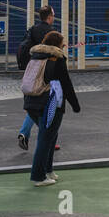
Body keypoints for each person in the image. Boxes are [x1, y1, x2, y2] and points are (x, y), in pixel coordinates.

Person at [26, 31, 79, 186]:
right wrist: (75, 105)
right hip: (50, 103)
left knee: (50, 136)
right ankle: (39, 176)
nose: (64, 44)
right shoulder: (57, 58)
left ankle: (48, 170)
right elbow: (66, 83)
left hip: (31, 101)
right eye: (62, 42)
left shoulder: (35, 56)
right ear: (57, 44)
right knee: (45, 139)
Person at [16, 6, 55, 150]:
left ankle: (24, 133)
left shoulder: (32, 29)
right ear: (50, 17)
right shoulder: (50, 32)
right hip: (44, 73)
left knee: (33, 105)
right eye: (53, 14)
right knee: (45, 106)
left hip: (30, 70)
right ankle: (48, 137)